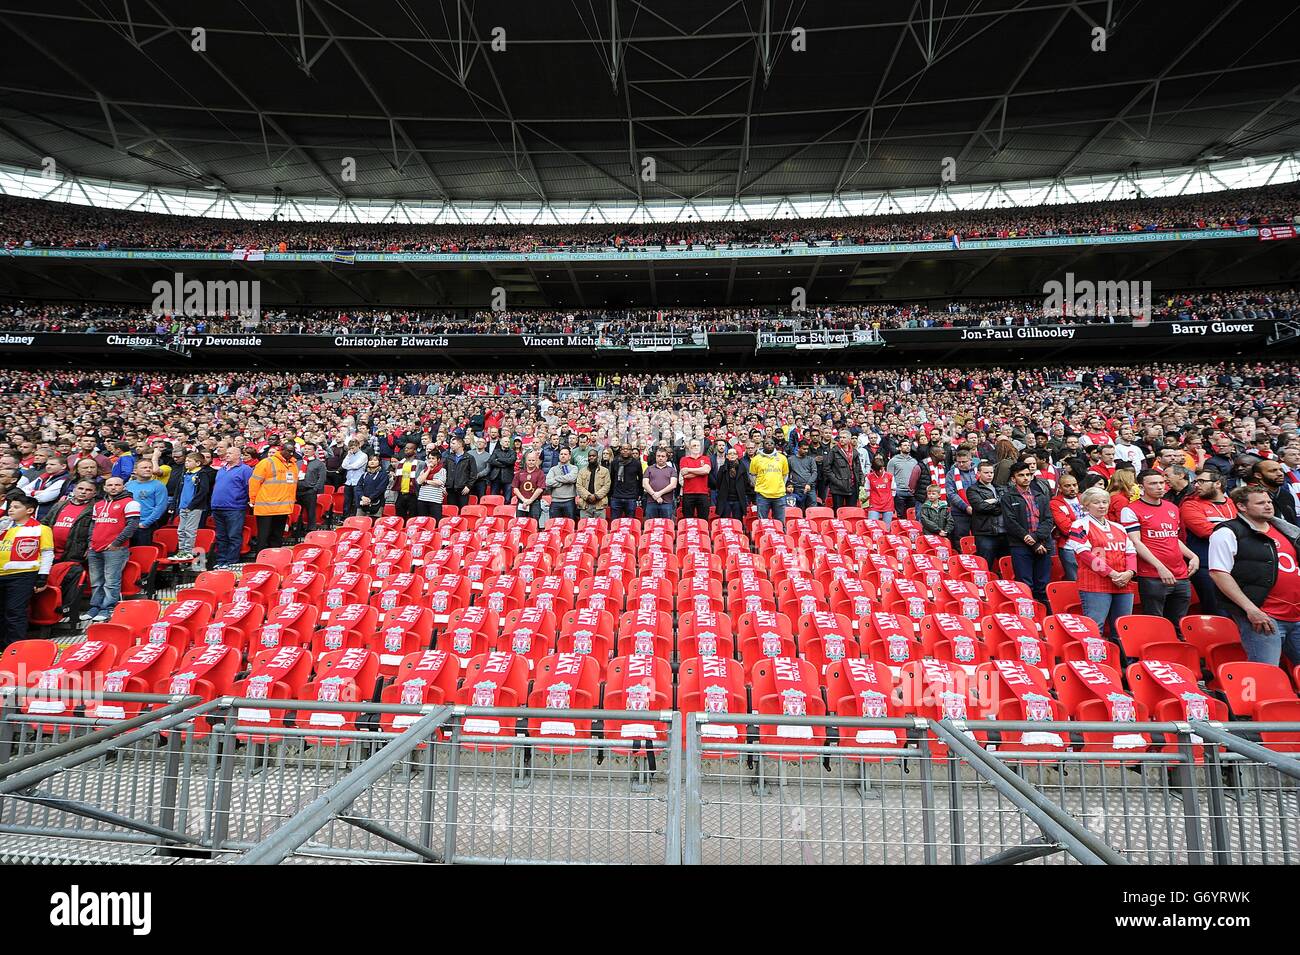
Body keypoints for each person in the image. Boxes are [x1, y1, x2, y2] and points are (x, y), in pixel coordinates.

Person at [1209, 484, 1300, 665]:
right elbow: (1219, 573)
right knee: (1265, 673)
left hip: (1296, 613)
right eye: (1260, 503)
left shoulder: (1286, 529)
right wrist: (1251, 609)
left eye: (1268, 501)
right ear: (1242, 506)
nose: (1268, 506)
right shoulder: (1227, 532)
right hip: (1264, 615)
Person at [1122, 469, 1197, 627]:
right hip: (1152, 575)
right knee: (1156, 623)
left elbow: (1173, 537)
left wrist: (1193, 556)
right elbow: (1135, 542)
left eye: (1161, 483)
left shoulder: (1172, 508)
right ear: (1141, 487)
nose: (1159, 487)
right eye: (1153, 484)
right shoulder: (1131, 510)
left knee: (1180, 623)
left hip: (1180, 573)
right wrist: (1159, 567)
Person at [1066, 485, 1137, 641]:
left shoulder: (1119, 527)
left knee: (1122, 628)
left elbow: (1130, 552)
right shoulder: (1078, 525)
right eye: (1096, 502)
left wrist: (1129, 573)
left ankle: (1122, 663)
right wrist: (1113, 574)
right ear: (1086, 505)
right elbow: (1085, 555)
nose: (1102, 505)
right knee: (1094, 627)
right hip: (1095, 584)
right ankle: (1094, 662)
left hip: (1123, 583)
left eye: (1105, 502)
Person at [1181, 468, 1237, 616]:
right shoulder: (1190, 504)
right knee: (1217, 611)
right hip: (1208, 565)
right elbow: (1205, 531)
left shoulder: (1234, 503)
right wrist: (1241, 534)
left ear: (1217, 484)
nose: (1196, 486)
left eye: (1201, 481)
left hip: (1236, 563)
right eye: (1195, 482)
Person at [84, 477, 140, 623]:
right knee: (96, 581)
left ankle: (107, 608)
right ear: (104, 488)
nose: (113, 487)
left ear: (123, 486)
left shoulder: (130, 503)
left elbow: (132, 525)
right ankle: (95, 607)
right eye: (110, 485)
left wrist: (117, 543)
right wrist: (90, 542)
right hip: (95, 548)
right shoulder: (99, 504)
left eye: (117, 484)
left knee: (111, 581)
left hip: (115, 549)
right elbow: (93, 525)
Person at [0, 493, 53, 648]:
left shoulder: (41, 529)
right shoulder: (4, 526)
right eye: (10, 507)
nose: (11, 510)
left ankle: (15, 647)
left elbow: (47, 553)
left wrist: (43, 576)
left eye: (16, 507)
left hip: (22, 576)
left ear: (29, 510)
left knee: (14, 612)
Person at [1001, 461, 1053, 606]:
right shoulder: (1008, 497)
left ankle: (1043, 616)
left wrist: (1036, 539)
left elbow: (1048, 520)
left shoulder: (1041, 495)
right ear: (1013, 479)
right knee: (1025, 584)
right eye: (1021, 475)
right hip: (1020, 545)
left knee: (1043, 585)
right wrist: (1031, 541)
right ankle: (1028, 617)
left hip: (1043, 544)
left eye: (1028, 475)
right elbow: (1010, 523)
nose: (1026, 478)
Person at [249, 444, 298, 552]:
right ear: (281, 450)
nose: (290, 454)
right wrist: (252, 499)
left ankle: (275, 559)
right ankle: (261, 559)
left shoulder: (293, 465)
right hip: (266, 506)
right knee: (263, 537)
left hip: (283, 507)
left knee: (277, 537)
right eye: (288, 451)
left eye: (292, 451)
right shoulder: (267, 462)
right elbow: (254, 482)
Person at [210, 446, 252, 568]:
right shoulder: (222, 469)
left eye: (230, 453)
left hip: (235, 508)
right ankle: (221, 561)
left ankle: (231, 562)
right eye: (226, 452)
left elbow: (249, 488)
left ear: (238, 455)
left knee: (233, 535)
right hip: (218, 507)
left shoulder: (245, 469)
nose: (226, 455)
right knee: (221, 536)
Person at [43, 479, 97, 562]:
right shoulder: (59, 505)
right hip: (49, 552)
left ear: (94, 494)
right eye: (80, 488)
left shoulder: (95, 509)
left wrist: (90, 547)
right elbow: (45, 523)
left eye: (88, 490)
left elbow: (95, 532)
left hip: (74, 554)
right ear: (74, 489)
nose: (83, 492)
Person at [175, 451, 215, 560]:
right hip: (183, 506)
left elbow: (203, 491)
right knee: (181, 530)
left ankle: (188, 551)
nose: (186, 463)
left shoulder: (201, 474)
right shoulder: (185, 474)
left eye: (189, 461)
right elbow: (179, 491)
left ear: (198, 463)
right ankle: (181, 551)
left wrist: (192, 505)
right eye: (186, 461)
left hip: (194, 507)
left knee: (190, 530)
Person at [967, 461, 1005, 570]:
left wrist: (993, 501)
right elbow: (980, 506)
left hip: (1003, 532)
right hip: (985, 533)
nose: (989, 475)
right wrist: (999, 505)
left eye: (991, 472)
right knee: (985, 566)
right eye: (986, 472)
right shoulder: (973, 489)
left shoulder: (1000, 488)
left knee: (1007, 566)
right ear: (978, 473)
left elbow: (1007, 505)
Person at [1049, 473, 1084, 581]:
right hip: (1069, 546)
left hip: (1091, 545)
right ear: (1059, 488)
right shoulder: (1054, 503)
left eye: (1074, 485)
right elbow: (1066, 527)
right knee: (1075, 580)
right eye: (1067, 486)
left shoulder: (1084, 498)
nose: (1072, 488)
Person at [126, 460, 169, 546]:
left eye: (150, 467)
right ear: (135, 471)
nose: (148, 469)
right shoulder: (128, 485)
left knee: (142, 553)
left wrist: (146, 523)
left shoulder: (159, 485)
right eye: (144, 468)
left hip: (144, 526)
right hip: (127, 525)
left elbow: (161, 507)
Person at [749, 435, 789, 522]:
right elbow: (752, 475)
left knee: (780, 522)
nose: (769, 445)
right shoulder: (756, 459)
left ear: (775, 445)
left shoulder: (782, 458)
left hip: (779, 495)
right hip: (762, 495)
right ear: (762, 445)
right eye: (767, 443)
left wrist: (780, 485)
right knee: (763, 522)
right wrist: (759, 485)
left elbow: (785, 475)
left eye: (771, 443)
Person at [1251, 457, 1297, 525]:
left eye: (1281, 470)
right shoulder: (1251, 496)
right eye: (1273, 471)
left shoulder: (1287, 495)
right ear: (1258, 475)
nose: (1280, 473)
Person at [947, 447, 978, 546]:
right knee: (960, 540)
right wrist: (965, 507)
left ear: (970, 460)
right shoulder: (951, 474)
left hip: (978, 511)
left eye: (964, 462)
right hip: (959, 513)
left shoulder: (978, 472)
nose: (960, 464)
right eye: (958, 462)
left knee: (977, 539)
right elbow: (951, 494)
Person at [294, 442, 327, 534]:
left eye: (309, 449)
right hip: (297, 490)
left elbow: (322, 478)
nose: (306, 451)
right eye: (305, 449)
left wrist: (315, 489)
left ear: (314, 451)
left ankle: (310, 530)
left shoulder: (319, 464)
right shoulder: (298, 463)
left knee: (311, 512)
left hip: (310, 490)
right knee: (298, 511)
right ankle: (297, 529)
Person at [825, 432, 862, 512]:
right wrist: (836, 481)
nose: (841, 439)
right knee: (838, 512)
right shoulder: (834, 451)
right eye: (840, 437)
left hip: (852, 486)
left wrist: (860, 481)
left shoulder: (854, 452)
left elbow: (858, 468)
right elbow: (827, 468)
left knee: (851, 512)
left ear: (849, 439)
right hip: (838, 487)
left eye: (844, 437)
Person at [678, 439, 712, 520]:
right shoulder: (684, 459)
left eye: (698, 445)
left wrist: (689, 470)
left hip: (703, 493)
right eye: (694, 445)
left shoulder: (705, 458)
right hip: (688, 494)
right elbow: (684, 474)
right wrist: (701, 471)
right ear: (689, 447)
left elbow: (706, 471)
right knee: (688, 520)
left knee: (703, 520)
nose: (696, 447)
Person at [643, 447, 678, 520]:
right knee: (650, 525)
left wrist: (659, 494)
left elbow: (673, 485)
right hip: (651, 502)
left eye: (663, 456)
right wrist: (654, 495)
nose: (660, 458)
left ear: (666, 458)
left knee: (667, 526)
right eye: (658, 456)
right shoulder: (649, 469)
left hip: (666, 503)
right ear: (655, 457)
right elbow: (645, 484)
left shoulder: (671, 470)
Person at [609, 444, 643, 520]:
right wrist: (611, 494)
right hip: (616, 497)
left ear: (631, 451)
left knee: (630, 523)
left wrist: (639, 493)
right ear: (620, 450)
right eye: (623, 449)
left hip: (631, 498)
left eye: (628, 449)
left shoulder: (636, 463)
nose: (625, 450)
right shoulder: (615, 462)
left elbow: (641, 479)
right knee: (615, 523)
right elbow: (611, 478)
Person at [886, 439, 918, 518]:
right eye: (905, 445)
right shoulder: (893, 461)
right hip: (899, 492)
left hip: (911, 492)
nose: (907, 447)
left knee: (912, 515)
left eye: (908, 445)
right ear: (899, 448)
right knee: (899, 515)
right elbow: (889, 477)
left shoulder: (914, 461)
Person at [546, 447, 580, 521]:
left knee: (570, 525)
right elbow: (548, 482)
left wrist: (556, 478)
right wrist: (564, 481)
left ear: (569, 456)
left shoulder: (574, 468)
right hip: (555, 501)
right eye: (561, 454)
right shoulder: (553, 469)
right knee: (554, 525)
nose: (563, 456)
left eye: (565, 454)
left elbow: (572, 478)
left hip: (569, 501)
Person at [442, 437, 476, 510]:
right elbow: (444, 473)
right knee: (451, 510)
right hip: (450, 489)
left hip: (463, 489)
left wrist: (468, 486)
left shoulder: (469, 458)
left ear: (460, 444)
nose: (451, 445)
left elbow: (473, 474)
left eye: (453, 443)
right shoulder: (449, 457)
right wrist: (444, 485)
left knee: (462, 510)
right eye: (451, 443)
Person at [512, 450, 546, 521]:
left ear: (536, 461)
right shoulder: (519, 473)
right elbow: (515, 488)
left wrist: (530, 500)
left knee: (533, 524)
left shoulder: (540, 473)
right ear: (526, 461)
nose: (531, 462)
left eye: (533, 460)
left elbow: (540, 489)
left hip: (535, 503)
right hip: (521, 502)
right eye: (529, 460)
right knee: (520, 523)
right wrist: (524, 500)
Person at [863, 454, 895, 528]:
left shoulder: (890, 476)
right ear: (873, 469)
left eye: (882, 469)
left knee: (886, 528)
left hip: (888, 505)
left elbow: (893, 490)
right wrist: (873, 499)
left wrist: (888, 499)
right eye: (878, 470)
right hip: (874, 505)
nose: (880, 471)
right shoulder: (869, 477)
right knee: (872, 527)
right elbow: (867, 490)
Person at [392, 442, 423, 520]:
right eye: (405, 448)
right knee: (400, 517)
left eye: (409, 448)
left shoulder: (421, 463)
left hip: (413, 493)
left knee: (413, 517)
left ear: (415, 451)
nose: (406, 449)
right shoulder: (400, 463)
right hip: (401, 493)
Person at [577, 451, 611, 519]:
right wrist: (588, 496)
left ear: (598, 457)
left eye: (593, 456)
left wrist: (596, 496)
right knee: (585, 528)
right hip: (585, 505)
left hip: (599, 505)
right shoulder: (582, 471)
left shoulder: (605, 471)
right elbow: (579, 485)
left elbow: (607, 486)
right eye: (590, 456)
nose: (591, 457)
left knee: (600, 527)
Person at [341, 439, 368, 517]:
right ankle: (345, 518)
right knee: (347, 502)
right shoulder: (349, 455)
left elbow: (356, 466)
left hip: (358, 481)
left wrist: (348, 467)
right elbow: (343, 466)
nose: (352, 449)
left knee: (357, 501)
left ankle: (355, 518)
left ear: (358, 446)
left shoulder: (363, 455)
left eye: (353, 447)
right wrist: (348, 457)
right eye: (350, 448)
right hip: (349, 481)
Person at [488, 432, 518, 498]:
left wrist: (498, 459)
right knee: (493, 498)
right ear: (501, 443)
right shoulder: (496, 451)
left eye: (508, 442)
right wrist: (505, 463)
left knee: (507, 499)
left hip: (508, 478)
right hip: (496, 478)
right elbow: (491, 461)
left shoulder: (512, 452)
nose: (507, 443)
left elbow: (511, 461)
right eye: (505, 441)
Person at [416, 453, 445, 519]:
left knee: (436, 522)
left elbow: (439, 482)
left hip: (435, 500)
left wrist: (426, 481)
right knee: (422, 521)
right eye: (429, 458)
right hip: (422, 499)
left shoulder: (442, 470)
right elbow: (419, 481)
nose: (431, 460)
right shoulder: (424, 471)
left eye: (433, 458)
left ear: (438, 460)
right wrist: (429, 469)